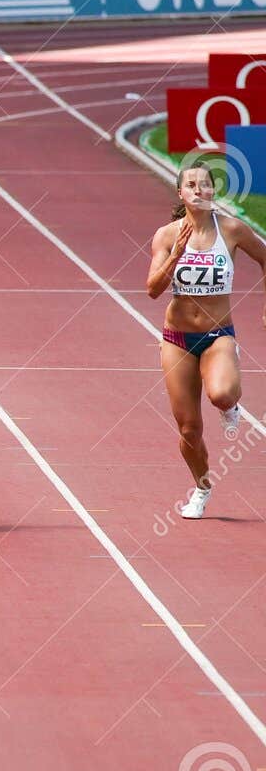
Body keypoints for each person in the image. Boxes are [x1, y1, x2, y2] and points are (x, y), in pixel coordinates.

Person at [145, 163, 266, 519]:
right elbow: (152, 290)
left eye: (205, 185)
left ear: (213, 191)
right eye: (191, 185)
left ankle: (230, 406)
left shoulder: (232, 230)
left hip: (218, 334)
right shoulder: (167, 236)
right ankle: (202, 488)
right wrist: (176, 257)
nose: (199, 190)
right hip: (178, 339)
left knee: (222, 394)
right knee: (189, 429)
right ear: (181, 194)